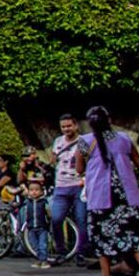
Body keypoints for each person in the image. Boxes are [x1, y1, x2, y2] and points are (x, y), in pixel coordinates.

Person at [76, 105, 139, 276]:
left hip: (100, 197)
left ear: (90, 124)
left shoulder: (84, 141)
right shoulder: (124, 139)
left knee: (101, 236)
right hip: (127, 195)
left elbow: (79, 169)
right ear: (110, 120)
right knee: (136, 235)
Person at [49, 113, 90, 266]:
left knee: (81, 219)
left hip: (78, 185)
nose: (66, 129)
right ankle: (61, 251)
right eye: (63, 127)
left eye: (69, 126)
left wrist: (86, 178)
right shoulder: (58, 142)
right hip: (61, 186)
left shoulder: (84, 141)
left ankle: (81, 253)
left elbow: (90, 161)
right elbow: (53, 160)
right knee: (56, 218)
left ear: (76, 126)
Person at [21, 181, 52, 268]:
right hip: (31, 227)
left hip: (42, 227)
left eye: (37, 190)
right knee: (34, 245)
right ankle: (39, 259)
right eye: (31, 190)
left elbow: (49, 213)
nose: (34, 192)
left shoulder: (43, 202)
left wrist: (49, 219)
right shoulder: (27, 202)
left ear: (42, 191)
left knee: (43, 245)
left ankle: (44, 260)